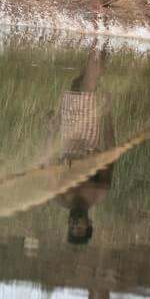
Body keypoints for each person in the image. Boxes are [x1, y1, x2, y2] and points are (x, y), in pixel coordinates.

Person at [53, 45, 116, 247]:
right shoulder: (99, 191)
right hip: (89, 136)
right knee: (87, 86)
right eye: (79, 226)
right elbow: (110, 155)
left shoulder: (60, 197)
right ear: (89, 223)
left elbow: (47, 163)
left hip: (67, 135)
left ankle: (104, 45)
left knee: (77, 84)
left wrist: (50, 128)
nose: (74, 222)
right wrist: (107, 114)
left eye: (71, 227)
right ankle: (98, 39)